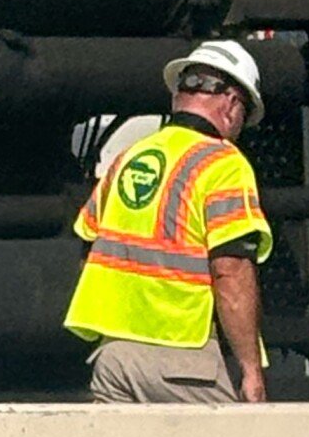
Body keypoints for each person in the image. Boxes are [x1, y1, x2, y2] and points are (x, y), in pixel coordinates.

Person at [64, 37, 274, 405]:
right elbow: (230, 270)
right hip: (185, 358)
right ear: (231, 104)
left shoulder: (129, 158)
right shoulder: (222, 164)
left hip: (114, 358)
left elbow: (89, 249)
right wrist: (251, 370)